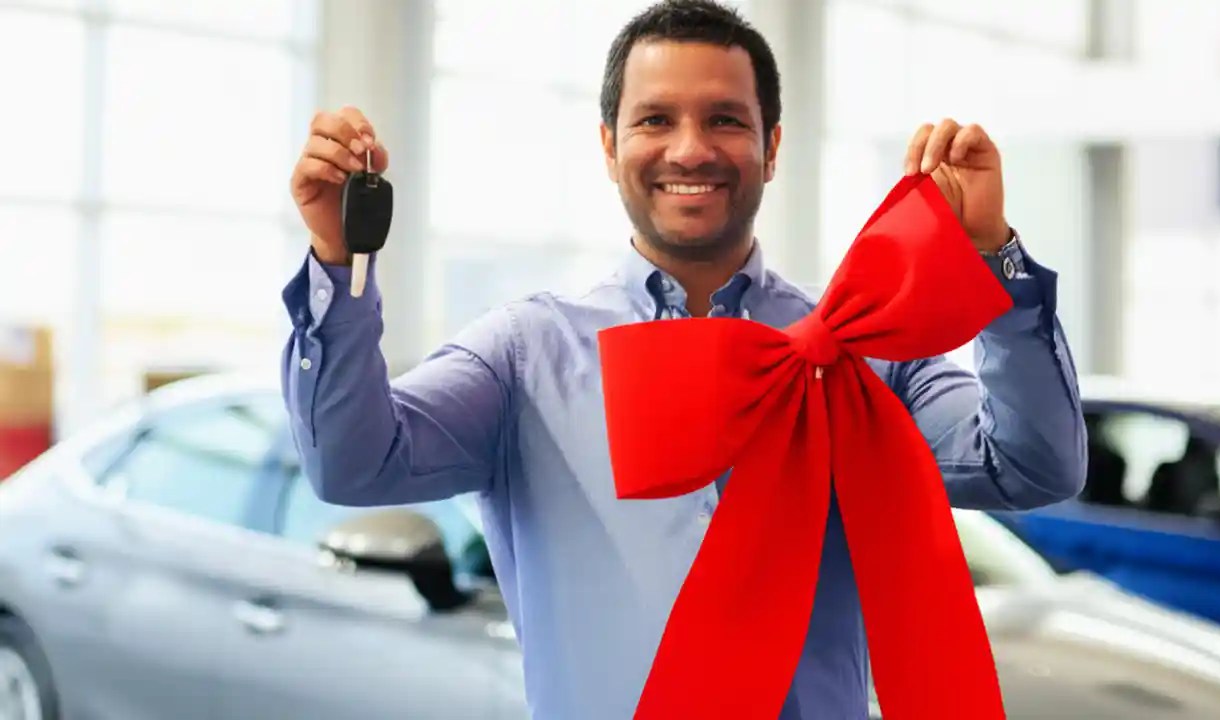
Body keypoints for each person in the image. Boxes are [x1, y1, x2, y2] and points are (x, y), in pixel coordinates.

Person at [281, 1, 1086, 717]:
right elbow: (356, 467)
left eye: (727, 120)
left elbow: (1031, 469)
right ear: (609, 145)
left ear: (772, 148)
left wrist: (995, 261)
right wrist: (337, 261)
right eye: (655, 119)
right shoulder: (524, 355)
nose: (691, 149)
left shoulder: (866, 351)